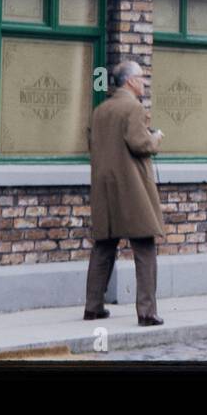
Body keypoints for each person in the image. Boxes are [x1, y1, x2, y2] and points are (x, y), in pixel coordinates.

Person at [83, 59, 167, 326]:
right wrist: (156, 138)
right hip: (132, 190)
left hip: (105, 190)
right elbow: (140, 144)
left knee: (104, 247)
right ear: (130, 81)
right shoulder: (133, 108)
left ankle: (93, 307)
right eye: (142, 78)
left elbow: (93, 145)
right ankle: (147, 312)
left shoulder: (100, 110)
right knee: (145, 248)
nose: (144, 83)